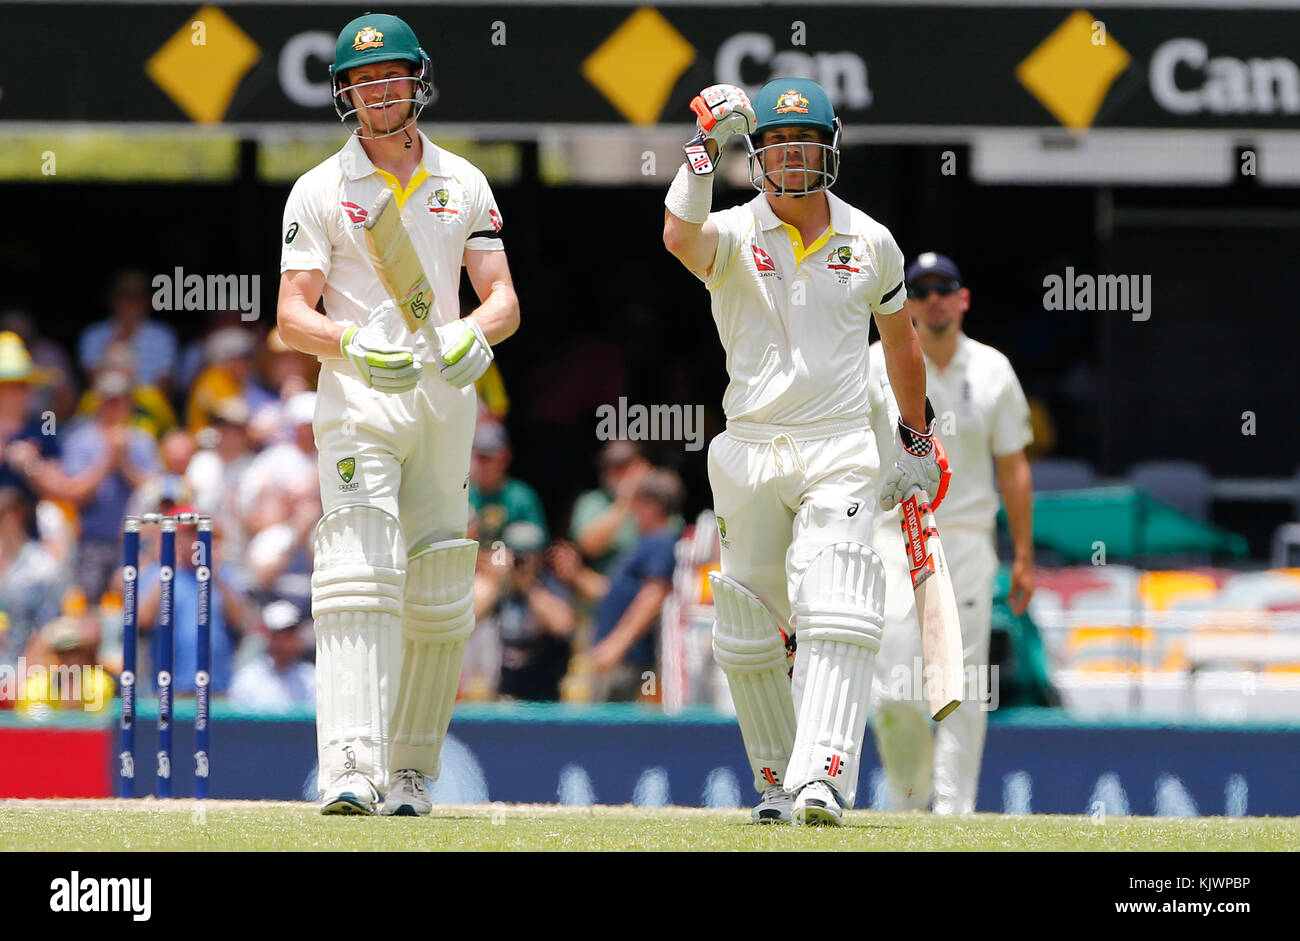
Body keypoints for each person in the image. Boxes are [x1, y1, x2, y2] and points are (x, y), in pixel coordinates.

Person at [662, 78, 947, 825]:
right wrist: (699, 149)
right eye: (777, 146)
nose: (791, 158)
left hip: (841, 444)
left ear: (829, 150)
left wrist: (915, 439)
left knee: (835, 595)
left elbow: (902, 346)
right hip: (750, 448)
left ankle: (824, 776)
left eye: (805, 144)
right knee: (748, 620)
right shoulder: (728, 232)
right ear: (756, 155)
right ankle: (778, 781)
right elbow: (676, 237)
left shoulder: (870, 239)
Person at [276, 12, 519, 816]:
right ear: (345, 92)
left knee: (441, 587)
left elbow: (504, 300)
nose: (380, 91)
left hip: (443, 403)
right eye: (363, 80)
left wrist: (472, 335)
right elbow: (290, 317)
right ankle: (351, 764)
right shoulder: (319, 189)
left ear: (417, 80)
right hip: (358, 399)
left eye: (391, 77)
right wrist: (347, 340)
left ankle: (412, 772)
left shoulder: (463, 181)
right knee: (357, 569)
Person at [868, 252, 1035, 814]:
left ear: (962, 299)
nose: (933, 298)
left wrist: (1025, 558)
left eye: (945, 288)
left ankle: (953, 812)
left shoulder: (992, 370)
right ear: (906, 302)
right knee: (894, 683)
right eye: (920, 289)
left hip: (964, 539)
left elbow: (1012, 466)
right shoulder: (873, 365)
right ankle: (909, 798)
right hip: (893, 536)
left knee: (962, 683)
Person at [550, 469, 683, 702]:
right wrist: (576, 574)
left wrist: (616, 644)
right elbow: (611, 593)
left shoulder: (662, 541)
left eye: (637, 501)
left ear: (655, 505)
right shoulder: (645, 543)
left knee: (619, 733)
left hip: (630, 661)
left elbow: (653, 596)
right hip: (620, 661)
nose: (632, 508)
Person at [476, 521, 574, 701]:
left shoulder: (550, 584)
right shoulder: (501, 586)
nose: (522, 560)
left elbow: (563, 625)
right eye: (517, 553)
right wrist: (497, 583)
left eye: (529, 554)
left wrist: (529, 586)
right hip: (504, 693)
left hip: (543, 696)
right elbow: (470, 621)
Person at [78, 270, 179, 393]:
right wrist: (120, 337)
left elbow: (165, 385)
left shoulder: (163, 336)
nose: (131, 303)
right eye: (125, 296)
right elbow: (92, 382)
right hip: (104, 401)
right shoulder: (93, 335)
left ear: (147, 300)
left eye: (137, 297)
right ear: (112, 299)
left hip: (148, 405)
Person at [568, 440, 651, 573]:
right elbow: (589, 546)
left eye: (624, 466)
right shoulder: (591, 501)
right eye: (610, 466)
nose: (615, 472)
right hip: (602, 588)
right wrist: (625, 499)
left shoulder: (656, 504)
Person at [468, 421, 547, 548]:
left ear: (506, 457)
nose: (482, 464)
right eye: (478, 457)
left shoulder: (521, 497)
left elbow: (538, 549)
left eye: (488, 458)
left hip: (509, 565)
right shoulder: (464, 496)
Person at [228, 601, 316, 711]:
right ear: (268, 636)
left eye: (289, 634)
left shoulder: (311, 678)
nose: (283, 643)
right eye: (277, 636)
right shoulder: (247, 679)